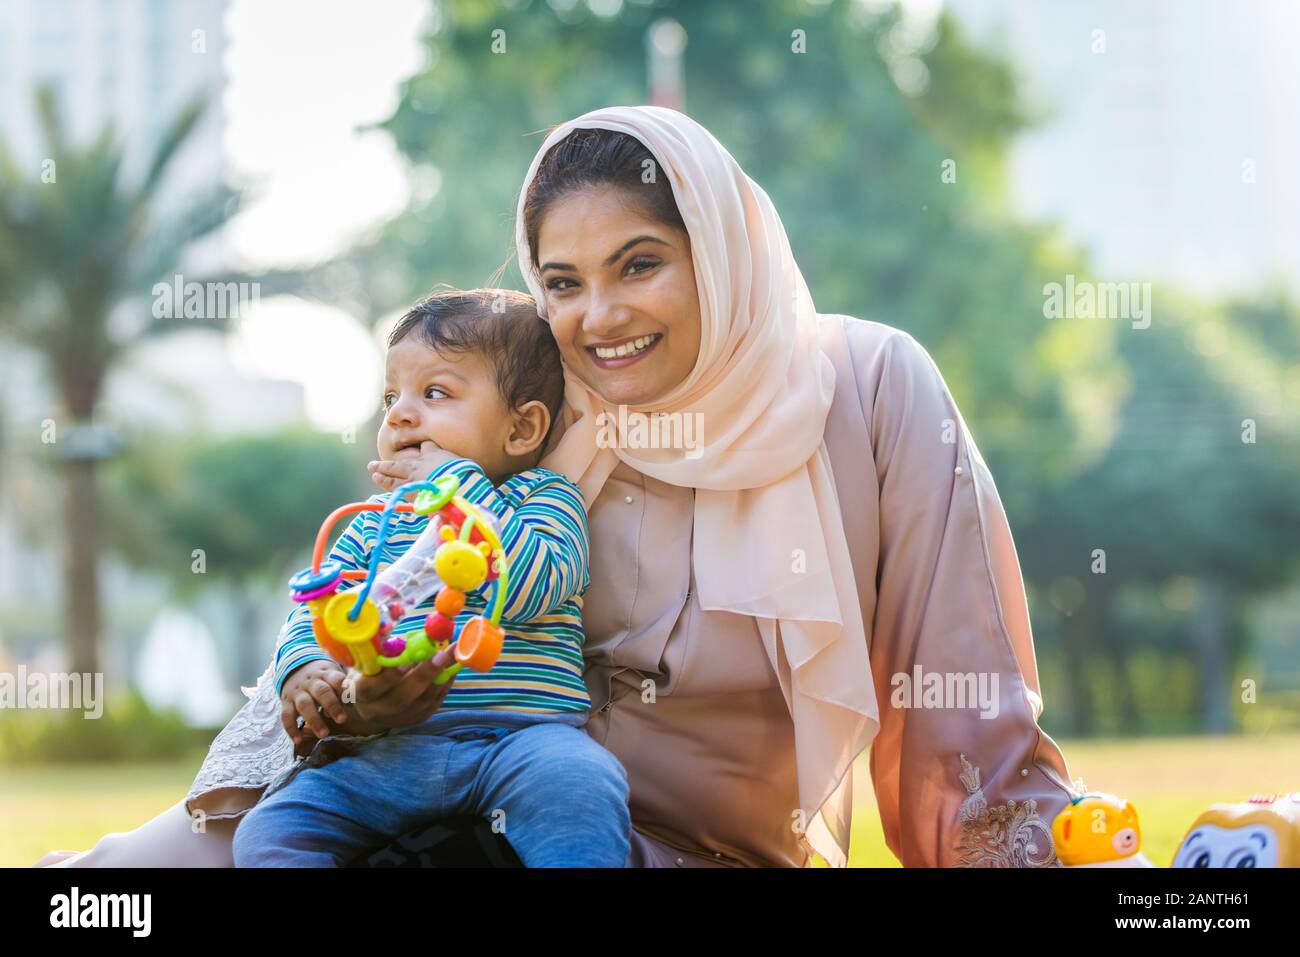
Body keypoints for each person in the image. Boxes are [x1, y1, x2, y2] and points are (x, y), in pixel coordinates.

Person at [44, 105, 1076, 868]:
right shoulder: (531, 420)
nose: (599, 318)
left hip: (639, 843)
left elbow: (971, 736)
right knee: (107, 894)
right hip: (414, 790)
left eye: (640, 264)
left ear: (719, 252)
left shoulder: (867, 391)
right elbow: (370, 600)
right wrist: (359, 696)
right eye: (563, 283)